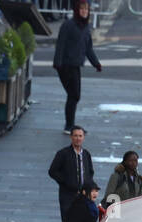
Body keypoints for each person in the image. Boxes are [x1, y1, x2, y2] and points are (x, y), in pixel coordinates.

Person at [52, 1, 102, 134]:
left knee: (74, 95)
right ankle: (69, 126)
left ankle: (70, 125)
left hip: (76, 65)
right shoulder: (68, 25)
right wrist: (57, 63)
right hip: (66, 65)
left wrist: (96, 63)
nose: (84, 11)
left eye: (86, 9)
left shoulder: (85, 27)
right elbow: (60, 44)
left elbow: (88, 48)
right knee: (74, 95)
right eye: (82, 9)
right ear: (76, 10)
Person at [48, 126, 94, 222]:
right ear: (71, 137)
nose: (78, 138)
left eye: (80, 136)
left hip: (83, 195)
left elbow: (90, 172)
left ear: (83, 137)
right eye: (75, 136)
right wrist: (66, 182)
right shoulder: (63, 154)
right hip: (67, 195)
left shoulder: (86, 154)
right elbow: (52, 171)